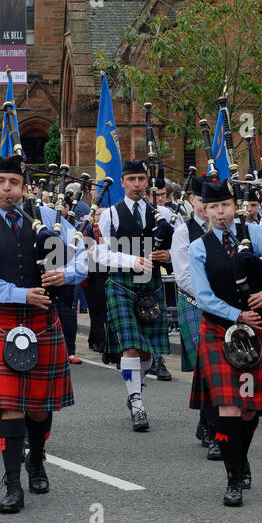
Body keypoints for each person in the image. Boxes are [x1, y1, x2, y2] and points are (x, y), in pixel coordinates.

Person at [0, 153, 87, 513]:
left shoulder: (47, 219)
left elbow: (83, 257)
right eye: (1, 183)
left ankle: (36, 459)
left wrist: (66, 274)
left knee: (38, 407)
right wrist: (23, 294)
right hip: (3, 320)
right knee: (8, 407)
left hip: (43, 322)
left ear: (24, 187)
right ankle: (13, 483)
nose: (8, 189)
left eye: (14, 183)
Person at [188, 175, 262, 505]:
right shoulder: (198, 247)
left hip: (257, 327)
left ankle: (240, 457)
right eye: (213, 207)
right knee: (230, 406)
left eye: (226, 205)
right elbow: (203, 296)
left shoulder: (258, 233)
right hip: (220, 329)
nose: (220, 213)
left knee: (250, 410)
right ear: (204, 210)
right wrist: (236, 314)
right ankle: (233, 476)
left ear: (236, 206)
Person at [96, 161, 171, 431]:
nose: (138, 184)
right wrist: (133, 260)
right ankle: (136, 401)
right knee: (129, 346)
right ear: (124, 182)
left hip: (150, 283)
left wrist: (169, 255)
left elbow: (178, 249)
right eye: (132, 179)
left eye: (141, 178)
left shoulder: (162, 213)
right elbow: (101, 253)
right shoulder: (110, 215)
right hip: (121, 282)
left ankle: (135, 387)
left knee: (146, 352)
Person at [170, 174, 221, 458]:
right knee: (207, 365)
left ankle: (206, 421)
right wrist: (211, 297)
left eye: (213, 202)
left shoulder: (233, 230)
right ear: (193, 201)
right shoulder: (182, 232)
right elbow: (183, 276)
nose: (207, 207)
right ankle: (213, 429)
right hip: (195, 303)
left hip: (223, 306)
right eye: (202, 201)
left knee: (214, 367)